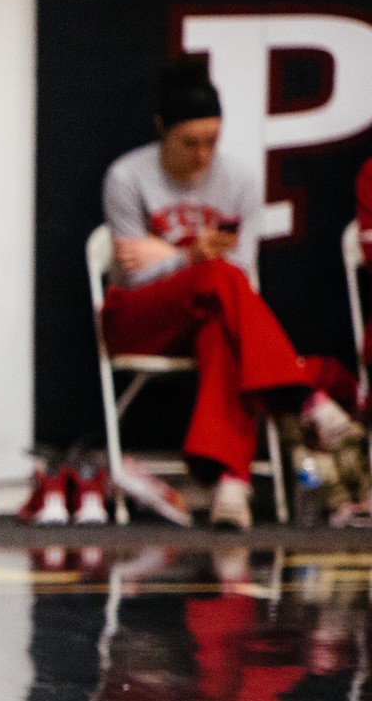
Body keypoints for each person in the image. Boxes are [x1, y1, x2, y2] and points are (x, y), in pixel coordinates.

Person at [101, 55, 355, 529]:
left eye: (212, 142)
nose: (202, 155)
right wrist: (190, 257)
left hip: (206, 310)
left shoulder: (238, 180)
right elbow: (133, 276)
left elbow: (240, 270)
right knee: (218, 280)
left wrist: (167, 253)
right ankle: (302, 397)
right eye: (189, 143)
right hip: (136, 318)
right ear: (162, 129)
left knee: (223, 329)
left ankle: (230, 485)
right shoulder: (127, 177)